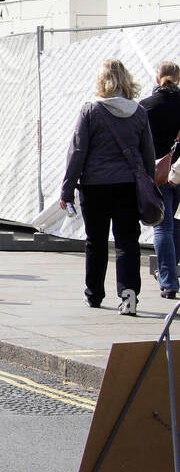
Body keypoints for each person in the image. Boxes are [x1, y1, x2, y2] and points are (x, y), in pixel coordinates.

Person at [60, 59, 155, 315]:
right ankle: (129, 297)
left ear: (102, 81)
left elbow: (77, 152)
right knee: (127, 241)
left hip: (95, 186)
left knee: (96, 241)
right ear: (126, 81)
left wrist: (67, 190)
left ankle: (94, 294)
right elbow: (148, 154)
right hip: (127, 185)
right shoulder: (138, 112)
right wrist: (148, 185)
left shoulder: (90, 110)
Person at [141, 61, 180, 300]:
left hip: (159, 173)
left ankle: (169, 282)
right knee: (173, 226)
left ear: (158, 79)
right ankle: (170, 269)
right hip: (179, 172)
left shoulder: (146, 106)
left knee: (163, 226)